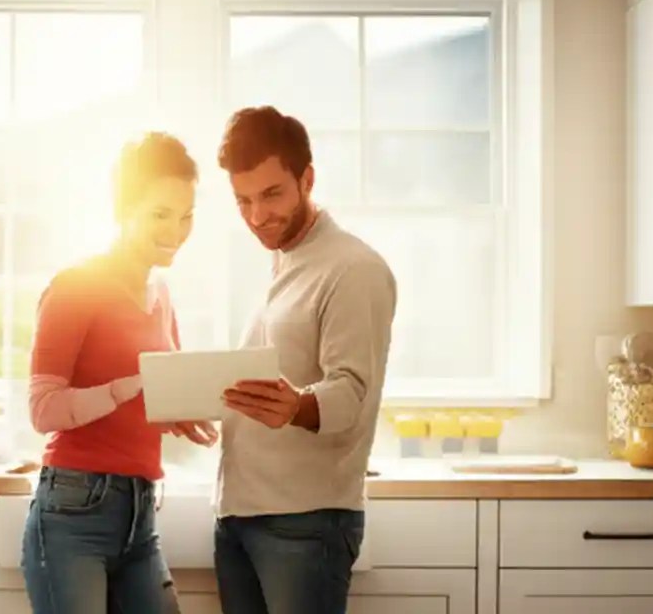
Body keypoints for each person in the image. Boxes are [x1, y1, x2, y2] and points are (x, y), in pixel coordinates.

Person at [21, 131, 218, 614]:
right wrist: (128, 388)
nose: (177, 230)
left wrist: (181, 412)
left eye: (187, 215)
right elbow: (43, 409)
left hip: (140, 513)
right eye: (160, 213)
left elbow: (149, 397)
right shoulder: (75, 286)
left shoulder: (162, 295)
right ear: (124, 209)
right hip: (74, 510)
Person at [213, 106, 397, 614]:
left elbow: (351, 392)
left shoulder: (352, 268)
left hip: (305, 522)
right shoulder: (284, 265)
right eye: (243, 200)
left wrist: (297, 406)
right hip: (242, 515)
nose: (257, 216)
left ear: (307, 180)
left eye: (271, 194)